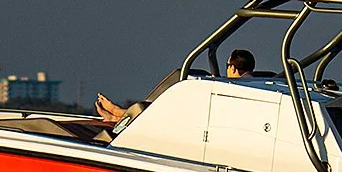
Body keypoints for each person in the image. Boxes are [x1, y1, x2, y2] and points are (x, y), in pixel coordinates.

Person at [96, 48, 257, 128]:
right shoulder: (257, 83)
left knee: (164, 111)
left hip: (205, 123)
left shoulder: (235, 87)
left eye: (227, 65)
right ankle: (119, 116)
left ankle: (118, 114)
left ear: (234, 68)